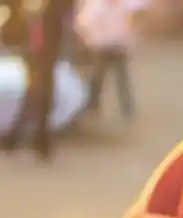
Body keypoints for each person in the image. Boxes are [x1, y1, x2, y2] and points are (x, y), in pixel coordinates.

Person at [1, 0, 72, 160]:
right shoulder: (25, 10)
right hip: (33, 54)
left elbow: (59, 25)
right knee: (36, 94)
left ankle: (27, 139)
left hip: (45, 54)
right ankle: (32, 140)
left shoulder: (51, 11)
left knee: (40, 94)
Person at [76, 0, 146, 120]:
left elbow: (139, 9)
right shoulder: (96, 6)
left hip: (118, 46)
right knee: (97, 78)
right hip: (101, 47)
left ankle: (127, 107)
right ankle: (92, 104)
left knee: (122, 79)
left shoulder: (124, 6)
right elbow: (83, 24)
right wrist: (90, 39)